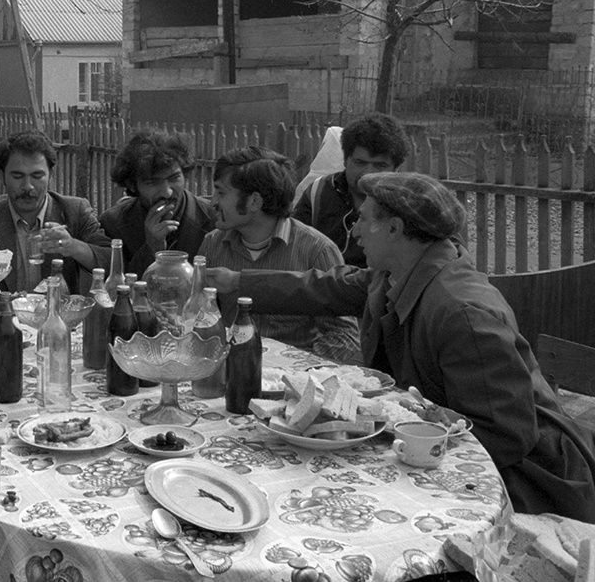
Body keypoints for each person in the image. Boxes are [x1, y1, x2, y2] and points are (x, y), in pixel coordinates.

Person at [207, 172, 595, 521]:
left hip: (527, 482)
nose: (354, 232)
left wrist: (394, 433)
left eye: (362, 219)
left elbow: (507, 436)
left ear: (394, 228)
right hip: (430, 454)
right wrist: (236, 282)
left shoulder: (462, 313)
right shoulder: (396, 272)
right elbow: (324, 286)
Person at [198, 146, 359, 363]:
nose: (213, 202)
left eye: (222, 193)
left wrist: (295, 369)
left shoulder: (317, 250)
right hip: (230, 374)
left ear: (254, 201)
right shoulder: (213, 244)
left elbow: (344, 338)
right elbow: (199, 318)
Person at [0, 130, 110, 293]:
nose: (28, 186)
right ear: (1, 176)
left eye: (37, 176)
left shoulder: (75, 211)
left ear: (51, 175)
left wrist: (72, 246)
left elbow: (109, 260)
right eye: (18, 176)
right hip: (1, 315)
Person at [293, 113, 410, 267]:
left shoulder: (408, 205)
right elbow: (294, 247)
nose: (368, 173)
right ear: (345, 160)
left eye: (380, 166)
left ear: (396, 169)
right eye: (360, 163)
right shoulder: (317, 192)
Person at [99, 128, 216, 274]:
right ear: (132, 185)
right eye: (152, 183)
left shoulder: (214, 218)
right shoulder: (114, 223)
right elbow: (117, 286)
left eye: (174, 178)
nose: (167, 193)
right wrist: (151, 247)